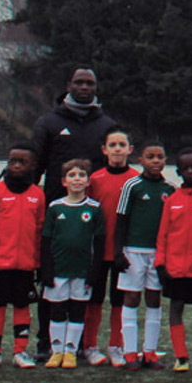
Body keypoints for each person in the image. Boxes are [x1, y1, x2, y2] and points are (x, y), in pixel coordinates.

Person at [0, 144, 44, 369]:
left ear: (32, 165)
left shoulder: (37, 194)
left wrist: (39, 263)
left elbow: (39, 231)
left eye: (21, 162)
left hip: (25, 265)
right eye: (12, 160)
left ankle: (20, 352)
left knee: (22, 306)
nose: (15, 165)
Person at [153, 149, 192, 372]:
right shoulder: (172, 200)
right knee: (176, 308)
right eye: (185, 168)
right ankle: (181, 357)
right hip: (175, 268)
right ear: (179, 172)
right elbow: (163, 234)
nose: (190, 171)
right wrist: (160, 263)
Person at [39, 159, 105, 368]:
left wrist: (94, 272)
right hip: (59, 270)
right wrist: (46, 270)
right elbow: (46, 241)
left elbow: (100, 242)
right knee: (57, 311)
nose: (77, 179)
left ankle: (71, 351)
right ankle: (56, 351)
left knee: (77, 310)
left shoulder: (94, 208)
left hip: (82, 271)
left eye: (82, 175)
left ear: (88, 181)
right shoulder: (55, 207)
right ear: (64, 181)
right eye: (72, 175)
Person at [81, 125, 138, 366]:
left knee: (119, 299)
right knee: (94, 298)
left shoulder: (136, 179)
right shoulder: (94, 179)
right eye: (112, 145)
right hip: (98, 251)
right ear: (104, 150)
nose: (117, 149)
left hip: (123, 252)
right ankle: (89, 346)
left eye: (121, 145)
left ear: (130, 150)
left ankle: (116, 345)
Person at [114, 142, 171, 369]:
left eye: (160, 157)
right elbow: (121, 219)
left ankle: (149, 352)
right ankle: (129, 353)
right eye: (150, 156)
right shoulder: (132, 185)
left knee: (154, 299)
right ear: (140, 160)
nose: (156, 161)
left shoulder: (170, 188)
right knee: (131, 298)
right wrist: (118, 252)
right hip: (133, 251)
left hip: (157, 253)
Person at [28, 68, 119, 202]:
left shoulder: (108, 126)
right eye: (79, 82)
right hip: (57, 204)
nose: (84, 87)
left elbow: (117, 169)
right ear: (68, 86)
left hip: (96, 207)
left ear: (96, 87)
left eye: (89, 83)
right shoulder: (48, 123)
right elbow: (35, 165)